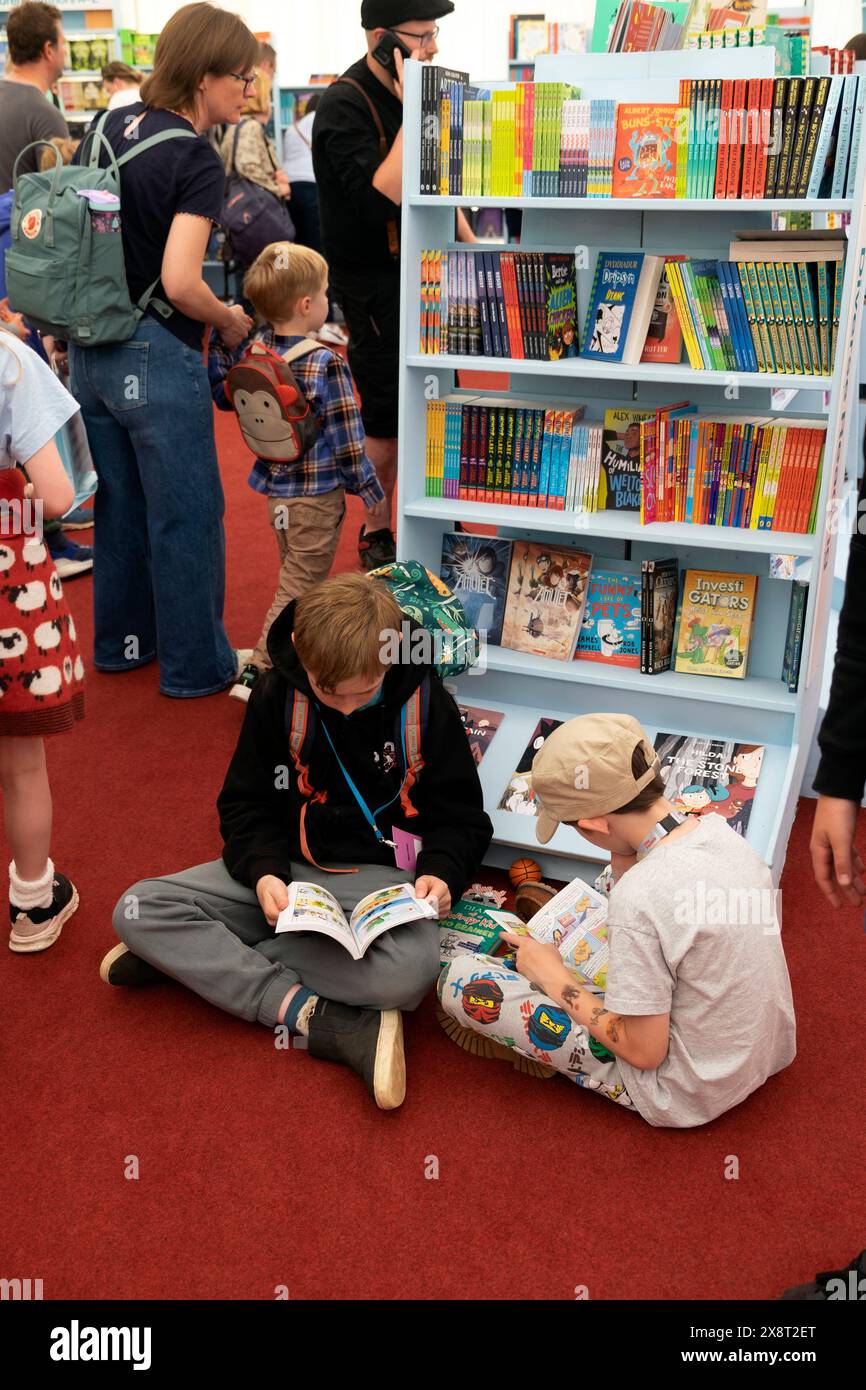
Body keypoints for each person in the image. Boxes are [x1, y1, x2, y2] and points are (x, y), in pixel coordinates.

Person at [99, 572, 493, 1110]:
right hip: (285, 867)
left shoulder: (427, 704)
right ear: (303, 660)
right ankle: (315, 1014)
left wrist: (443, 874)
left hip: (381, 879)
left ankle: (206, 964)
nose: (345, 707)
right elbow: (245, 804)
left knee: (408, 976)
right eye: (328, 692)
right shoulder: (277, 693)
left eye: (363, 692)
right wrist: (262, 871)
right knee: (138, 910)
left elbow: (464, 820)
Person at [439, 714, 797, 1127]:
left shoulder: (641, 897)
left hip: (681, 1087)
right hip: (761, 1050)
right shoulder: (722, 832)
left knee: (461, 980)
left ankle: (541, 1039)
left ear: (592, 824)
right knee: (616, 885)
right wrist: (623, 855)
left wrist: (554, 978)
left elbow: (646, 1053)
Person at [68, 3, 258, 698]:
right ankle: (194, 666)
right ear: (205, 75)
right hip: (153, 351)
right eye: (239, 77)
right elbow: (181, 280)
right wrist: (228, 320)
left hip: (88, 349)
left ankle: (123, 645)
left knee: (118, 507)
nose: (248, 91)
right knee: (187, 513)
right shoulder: (192, 154)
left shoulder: (104, 124)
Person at [312, 1, 474, 571]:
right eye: (422, 37)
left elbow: (438, 185)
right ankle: (377, 526)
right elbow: (383, 193)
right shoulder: (343, 105)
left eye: (436, 35)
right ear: (384, 40)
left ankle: (431, 510)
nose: (433, 48)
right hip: (374, 283)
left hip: (431, 272)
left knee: (438, 398)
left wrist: (472, 251)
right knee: (385, 412)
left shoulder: (419, 89)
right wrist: (415, 115)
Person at [209, 240, 385, 703]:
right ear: (307, 305)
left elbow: (228, 398)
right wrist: (368, 486)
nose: (329, 300)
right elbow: (348, 435)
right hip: (316, 498)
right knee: (298, 584)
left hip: (277, 495)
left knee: (295, 570)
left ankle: (297, 659)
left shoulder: (256, 349)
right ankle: (259, 671)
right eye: (325, 293)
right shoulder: (325, 362)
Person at [0, 324, 85, 953]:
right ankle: (32, 905)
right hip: (9, 581)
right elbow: (58, 496)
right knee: (22, 765)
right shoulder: (10, 360)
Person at [282, 91, 345, 343]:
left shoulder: (292, 128)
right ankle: (324, 319)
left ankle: (297, 317)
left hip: (291, 192)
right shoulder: (324, 119)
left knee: (297, 255)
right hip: (313, 189)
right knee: (319, 255)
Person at [0, 2, 68, 192]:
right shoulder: (45, 115)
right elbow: (61, 201)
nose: (65, 50)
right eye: (63, 43)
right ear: (49, 50)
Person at [219, 71, 290, 208]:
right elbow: (247, 166)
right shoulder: (250, 127)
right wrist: (278, 188)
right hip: (255, 210)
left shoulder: (242, 125)